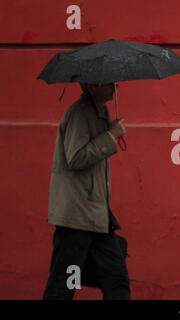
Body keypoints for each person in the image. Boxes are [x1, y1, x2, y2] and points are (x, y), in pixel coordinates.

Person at [43, 83, 130, 300]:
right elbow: (76, 158)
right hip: (76, 221)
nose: (115, 86)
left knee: (117, 281)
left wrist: (109, 131)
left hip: (97, 219)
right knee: (63, 287)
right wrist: (110, 136)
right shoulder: (79, 114)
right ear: (92, 86)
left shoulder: (100, 112)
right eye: (109, 82)